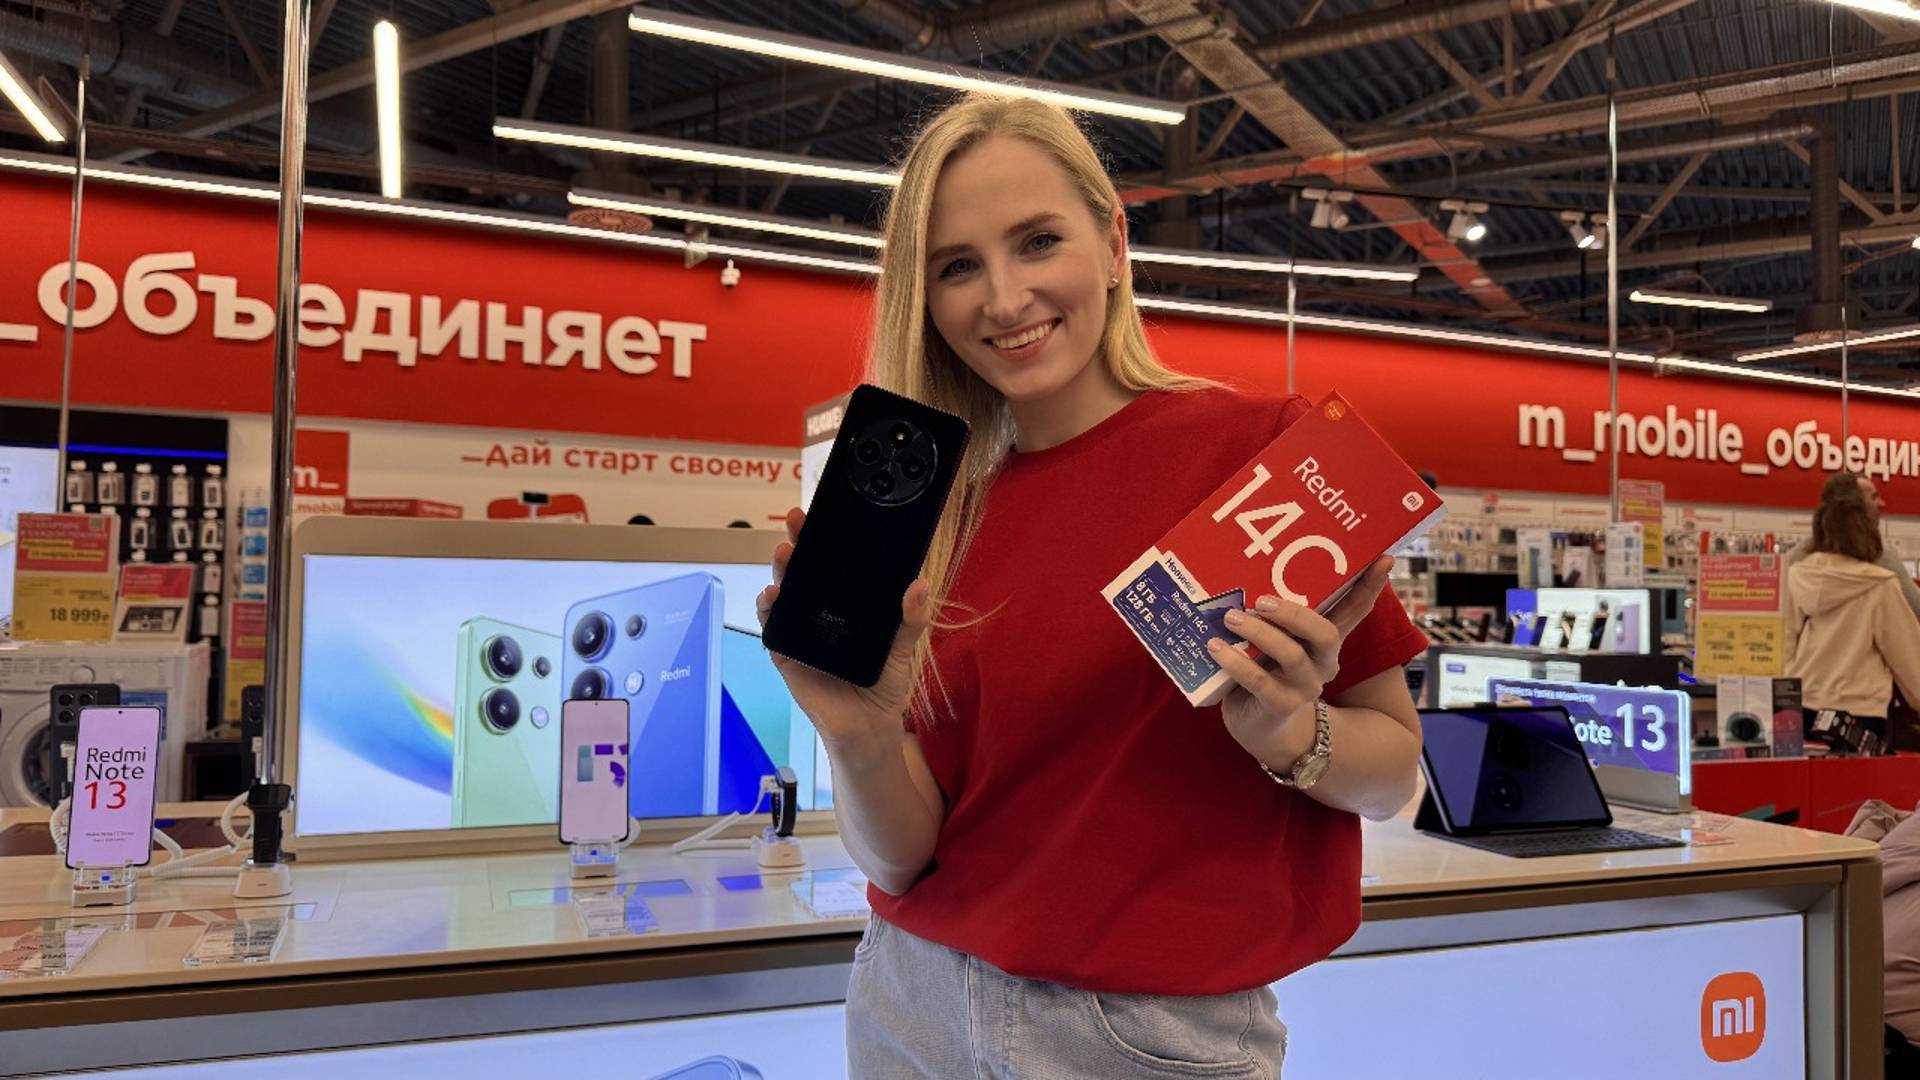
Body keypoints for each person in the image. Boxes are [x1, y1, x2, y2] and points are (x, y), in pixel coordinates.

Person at [756, 93, 1428, 1079]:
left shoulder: (1264, 462)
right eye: (956, 266)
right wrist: (858, 735)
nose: (1003, 300)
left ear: (1113, 243)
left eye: (1038, 242)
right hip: (910, 1002)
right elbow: (905, 857)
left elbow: (1395, 774)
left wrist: (1291, 732)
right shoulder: (938, 521)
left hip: (1142, 1036)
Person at [1784, 476, 1920, 741]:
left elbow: (1783, 647)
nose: (1882, 503)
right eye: (1874, 497)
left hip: (1803, 709)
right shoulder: (1880, 584)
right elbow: (1910, 663)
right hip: (1860, 715)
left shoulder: (1795, 576)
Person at [1785, 473, 1920, 624]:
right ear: (1854, 507)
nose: (1882, 503)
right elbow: (1916, 607)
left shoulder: (1801, 558)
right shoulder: (1881, 555)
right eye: (1874, 497)